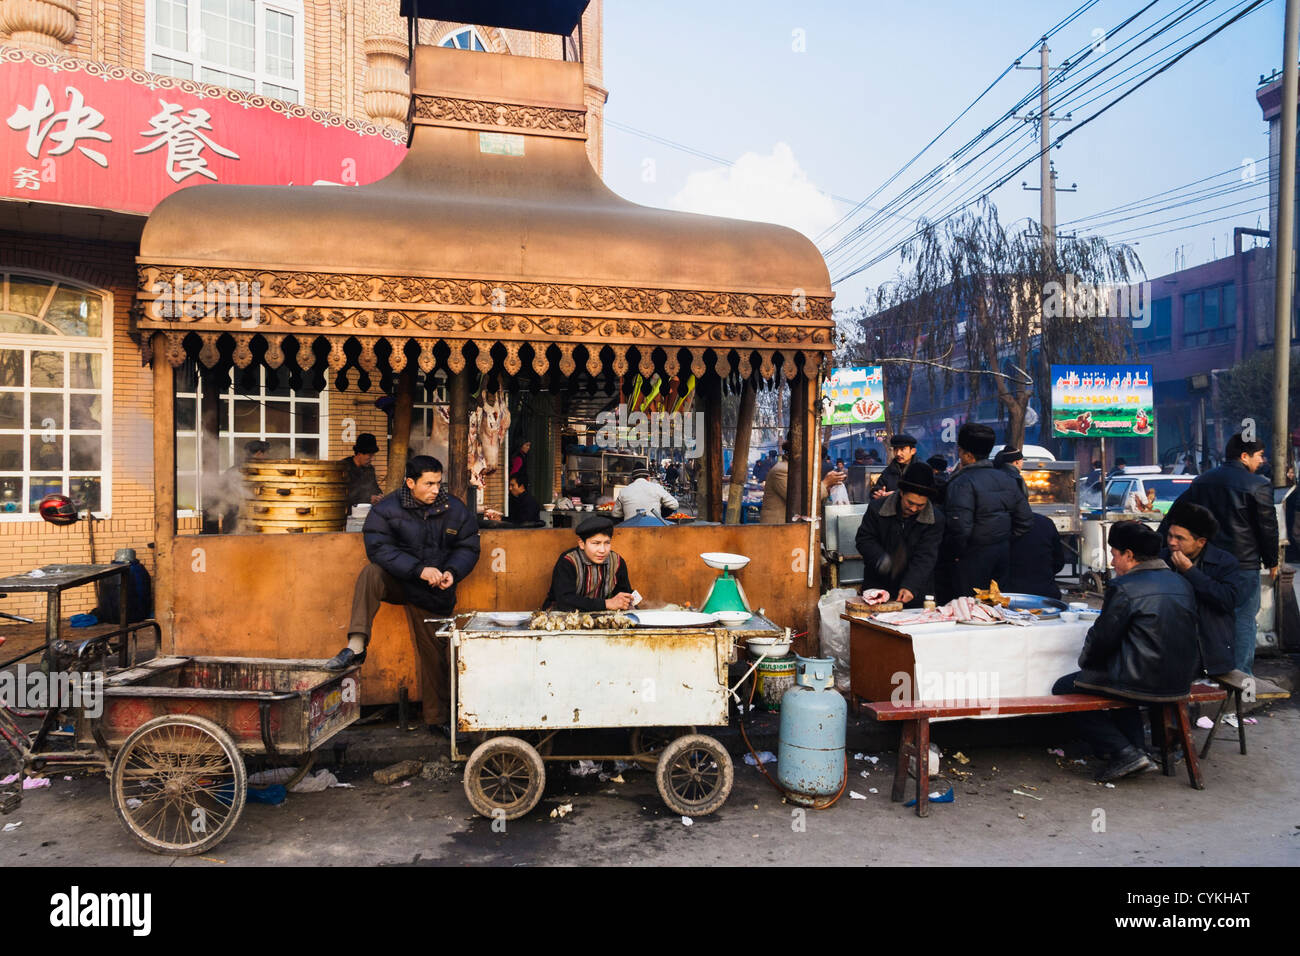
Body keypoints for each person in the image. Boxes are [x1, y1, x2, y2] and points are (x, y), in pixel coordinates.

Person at [324, 455, 480, 736]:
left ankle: (437, 720)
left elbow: (468, 547)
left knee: (436, 658)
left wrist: (452, 572)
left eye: (438, 482)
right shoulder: (386, 509)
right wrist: (419, 570)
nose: (436, 489)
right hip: (400, 579)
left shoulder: (454, 508)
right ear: (410, 482)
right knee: (371, 574)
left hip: (434, 591)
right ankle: (356, 646)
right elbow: (378, 548)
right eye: (429, 483)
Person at [1052, 521, 1198, 781]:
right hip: (1181, 679)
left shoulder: (1125, 588)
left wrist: (1087, 666)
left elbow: (1102, 639)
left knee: (1063, 689)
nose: (1112, 560)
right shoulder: (1181, 582)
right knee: (1116, 682)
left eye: (1115, 554)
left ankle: (1123, 751)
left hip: (1142, 679)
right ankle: (1136, 751)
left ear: (1129, 556)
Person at [1160, 432, 1279, 676]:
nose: (1262, 461)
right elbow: (1267, 528)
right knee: (1244, 619)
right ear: (1244, 456)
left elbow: (1177, 513)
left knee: (1210, 617)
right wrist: (1272, 561)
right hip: (1244, 564)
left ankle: (1210, 672)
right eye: (1259, 456)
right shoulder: (1258, 485)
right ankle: (1240, 676)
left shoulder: (1203, 480)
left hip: (1206, 559)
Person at [940, 423, 1033, 600]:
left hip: (969, 559)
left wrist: (954, 555)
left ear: (965, 454)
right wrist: (1001, 540)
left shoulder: (962, 482)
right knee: (997, 608)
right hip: (1001, 556)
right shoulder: (1007, 479)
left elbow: (959, 528)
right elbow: (1025, 520)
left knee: (968, 611)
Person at [1161, 501, 1242, 681]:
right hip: (1169, 649)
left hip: (1208, 652)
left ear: (1201, 542)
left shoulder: (1224, 562)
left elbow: (1226, 600)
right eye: (1170, 536)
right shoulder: (1162, 559)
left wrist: (1190, 572)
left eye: (1180, 538)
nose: (1172, 543)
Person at [854, 463, 944, 608]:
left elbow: (926, 556)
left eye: (920, 505)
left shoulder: (935, 519)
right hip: (878, 586)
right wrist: (881, 560)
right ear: (901, 492)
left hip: (915, 590)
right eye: (910, 502)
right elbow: (864, 539)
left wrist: (911, 585)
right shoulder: (877, 509)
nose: (914, 508)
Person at [547, 515, 636, 611]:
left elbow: (623, 593)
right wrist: (606, 604)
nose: (602, 550)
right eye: (596, 543)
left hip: (600, 617)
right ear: (582, 544)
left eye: (607, 543)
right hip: (562, 617)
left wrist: (629, 602)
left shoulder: (617, 562)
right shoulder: (568, 562)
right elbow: (565, 600)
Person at [760, 440, 847, 523]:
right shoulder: (782, 470)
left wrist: (829, 487)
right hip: (778, 529)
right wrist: (825, 484)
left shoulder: (798, 469)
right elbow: (801, 502)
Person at [1006, 512, 1066, 600]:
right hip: (1046, 595)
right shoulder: (1046, 522)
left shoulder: (999, 524)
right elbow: (1059, 562)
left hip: (1008, 596)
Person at [612, 467, 678, 520]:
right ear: (648, 478)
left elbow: (615, 514)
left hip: (629, 530)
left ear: (632, 480)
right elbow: (674, 505)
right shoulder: (657, 487)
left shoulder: (624, 491)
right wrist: (662, 513)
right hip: (654, 529)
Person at [340, 432, 383, 509]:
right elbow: (342, 495)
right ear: (359, 453)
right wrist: (368, 499)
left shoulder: (370, 469)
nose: (371, 459)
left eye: (373, 455)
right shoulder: (343, 467)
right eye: (369, 455)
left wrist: (379, 495)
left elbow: (375, 488)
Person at [872, 434, 918, 498]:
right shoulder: (889, 470)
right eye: (896, 449)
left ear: (913, 451)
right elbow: (875, 491)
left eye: (902, 449)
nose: (898, 453)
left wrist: (895, 495)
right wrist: (879, 494)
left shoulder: (921, 470)